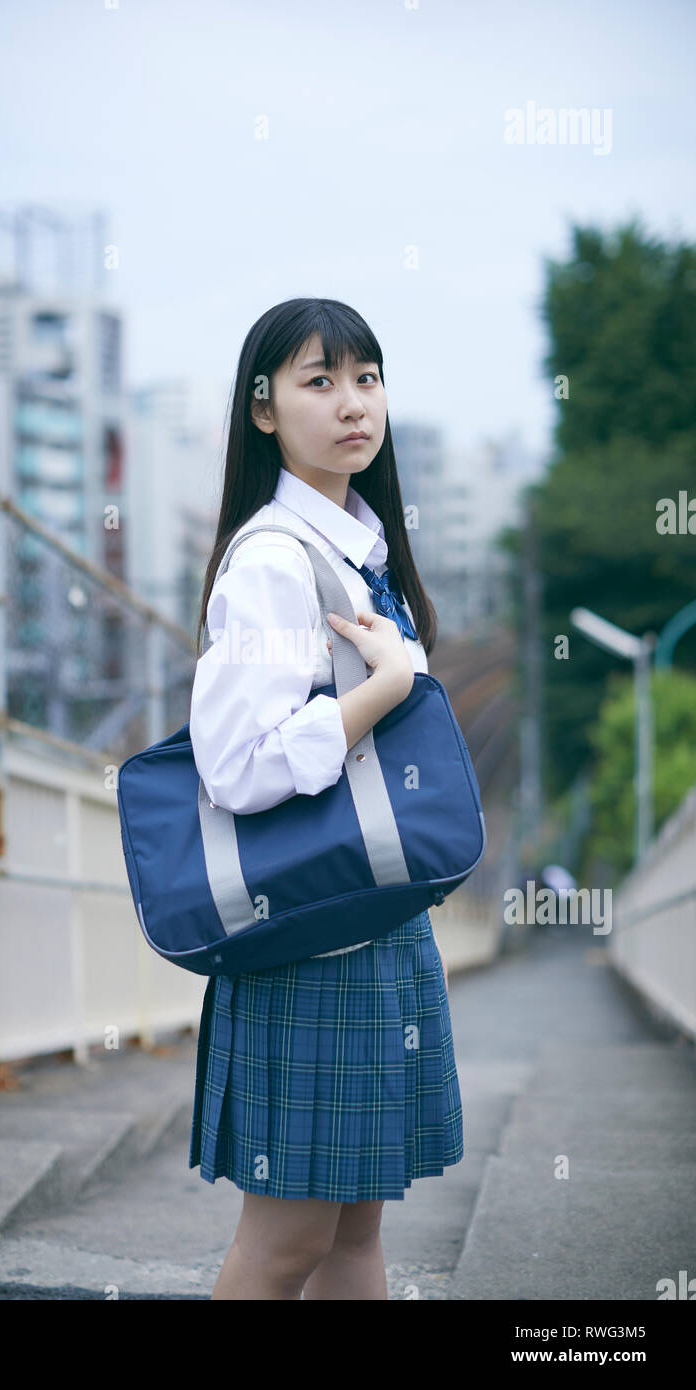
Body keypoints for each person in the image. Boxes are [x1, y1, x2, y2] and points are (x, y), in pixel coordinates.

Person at [188, 297, 463, 1300]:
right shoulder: (272, 561)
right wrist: (383, 693)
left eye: (366, 378)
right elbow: (233, 764)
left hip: (373, 918)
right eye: (318, 381)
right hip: (310, 938)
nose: (351, 404)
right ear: (263, 409)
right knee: (284, 1243)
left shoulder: (361, 550)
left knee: (354, 1235)